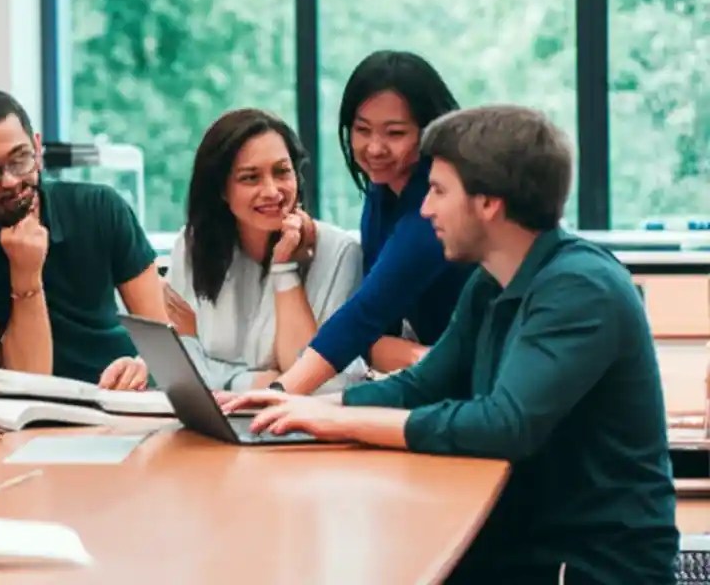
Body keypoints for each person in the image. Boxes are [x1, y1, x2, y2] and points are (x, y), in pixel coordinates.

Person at [224, 105, 678, 584]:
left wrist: (338, 419)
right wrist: (298, 406)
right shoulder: (490, 282)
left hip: (588, 563)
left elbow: (506, 424)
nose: (425, 209)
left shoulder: (582, 288)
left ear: (489, 203)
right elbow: (423, 385)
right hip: (518, 542)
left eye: (438, 191)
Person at [0, 88, 167, 389]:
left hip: (122, 389)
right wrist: (25, 272)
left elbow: (161, 338)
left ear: (38, 149)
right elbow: (28, 380)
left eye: (20, 160)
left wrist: (142, 364)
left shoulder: (100, 207)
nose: (11, 181)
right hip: (27, 406)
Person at [270, 50, 474, 394]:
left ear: (429, 131)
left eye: (394, 133)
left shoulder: (435, 205)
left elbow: (366, 315)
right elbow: (376, 335)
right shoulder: (383, 190)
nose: (374, 148)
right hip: (443, 379)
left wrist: (279, 394)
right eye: (362, 130)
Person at [164, 108, 365, 392]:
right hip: (212, 421)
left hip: (300, 428)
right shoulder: (192, 245)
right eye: (250, 178)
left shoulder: (340, 253)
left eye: (282, 172)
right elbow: (178, 366)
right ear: (222, 189)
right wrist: (251, 382)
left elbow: (317, 382)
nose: (272, 191)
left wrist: (285, 269)